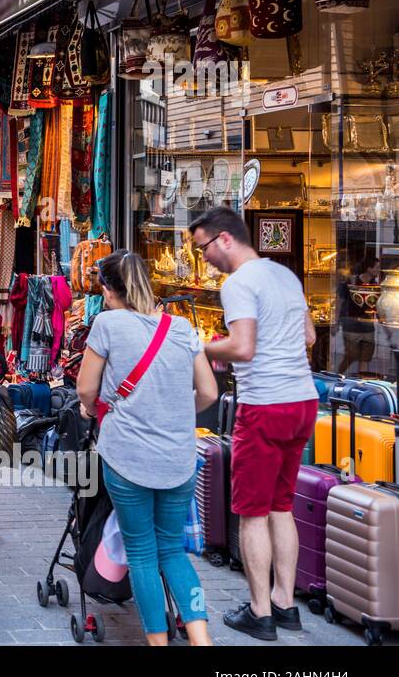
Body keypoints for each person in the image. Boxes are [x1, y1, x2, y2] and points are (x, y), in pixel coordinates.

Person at [76, 250, 217, 646]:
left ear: (108, 289)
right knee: (172, 551)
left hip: (128, 456)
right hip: (179, 456)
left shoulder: (107, 323)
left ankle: (156, 641)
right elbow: (208, 392)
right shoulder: (182, 327)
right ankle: (201, 638)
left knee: (140, 552)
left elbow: (87, 388)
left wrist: (90, 409)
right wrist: (171, 411)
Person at [191, 206, 319, 641]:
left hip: (264, 404)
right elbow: (308, 338)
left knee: (250, 513)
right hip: (302, 400)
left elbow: (243, 348)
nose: (203, 256)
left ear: (225, 239)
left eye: (203, 247)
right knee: (281, 506)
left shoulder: (239, 284)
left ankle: (261, 612)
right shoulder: (286, 276)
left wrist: (202, 349)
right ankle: (286, 604)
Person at [337, 252, 379, 376]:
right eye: (376, 267)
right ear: (369, 268)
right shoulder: (352, 281)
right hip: (351, 325)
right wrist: (336, 321)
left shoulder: (375, 285)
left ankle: (361, 382)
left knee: (365, 358)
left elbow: (377, 305)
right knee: (351, 356)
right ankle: (339, 376)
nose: (378, 270)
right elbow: (340, 300)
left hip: (368, 326)